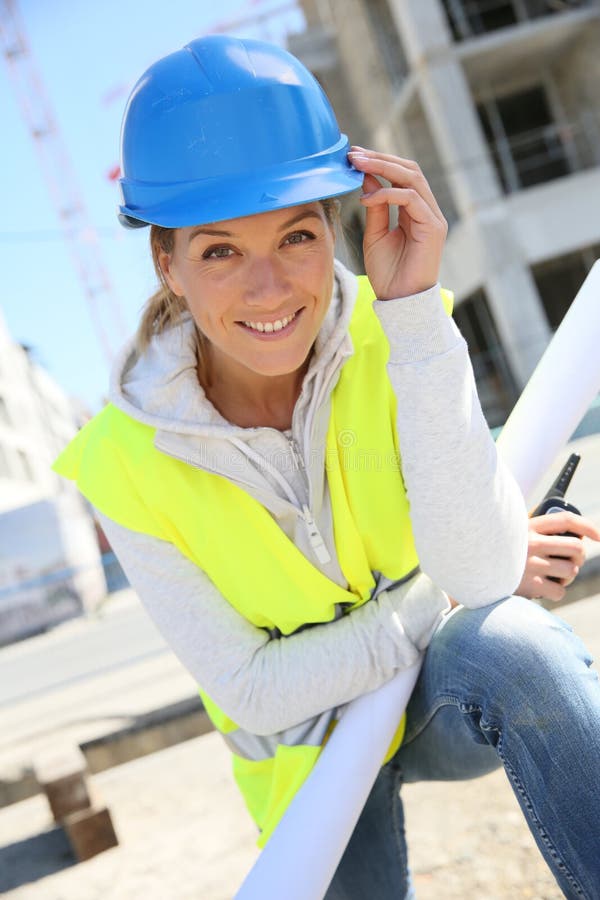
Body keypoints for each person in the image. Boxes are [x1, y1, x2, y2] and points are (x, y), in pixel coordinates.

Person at [54, 35, 600, 899]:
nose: (269, 288)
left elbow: (487, 574)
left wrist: (415, 309)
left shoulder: (400, 337)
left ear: (335, 226)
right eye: (220, 250)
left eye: (297, 236)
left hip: (432, 690)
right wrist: (443, 594)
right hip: (303, 759)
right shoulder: (122, 465)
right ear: (167, 263)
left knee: (521, 649)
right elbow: (257, 691)